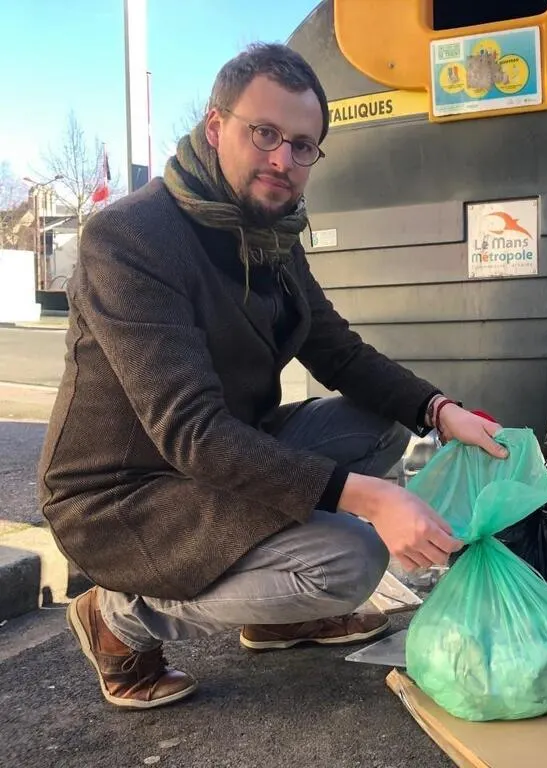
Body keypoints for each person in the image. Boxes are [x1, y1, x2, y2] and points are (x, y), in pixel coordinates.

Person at [37, 42, 507, 710]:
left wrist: (438, 409)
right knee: (349, 560)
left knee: (376, 425)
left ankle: (276, 613)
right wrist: (372, 500)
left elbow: (337, 351)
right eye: (264, 134)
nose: (282, 160)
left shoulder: (270, 233)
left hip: (218, 453)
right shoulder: (132, 238)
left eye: (303, 144)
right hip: (125, 495)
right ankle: (117, 618)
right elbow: (191, 433)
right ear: (215, 126)